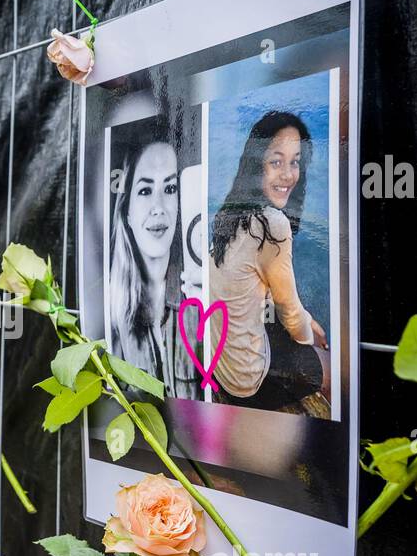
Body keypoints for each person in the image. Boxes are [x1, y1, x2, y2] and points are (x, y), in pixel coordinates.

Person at [208, 110, 328, 412]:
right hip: (246, 383)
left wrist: (305, 317)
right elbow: (289, 313)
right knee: (327, 368)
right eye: (276, 161)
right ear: (256, 163)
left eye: (295, 161)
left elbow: (266, 289)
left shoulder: (232, 212)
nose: (288, 174)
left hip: (220, 366)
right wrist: (309, 335)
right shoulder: (272, 223)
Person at [107, 116, 197, 399]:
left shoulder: (200, 292)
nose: (159, 207)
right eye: (145, 190)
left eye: (169, 189)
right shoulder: (109, 308)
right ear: (127, 212)